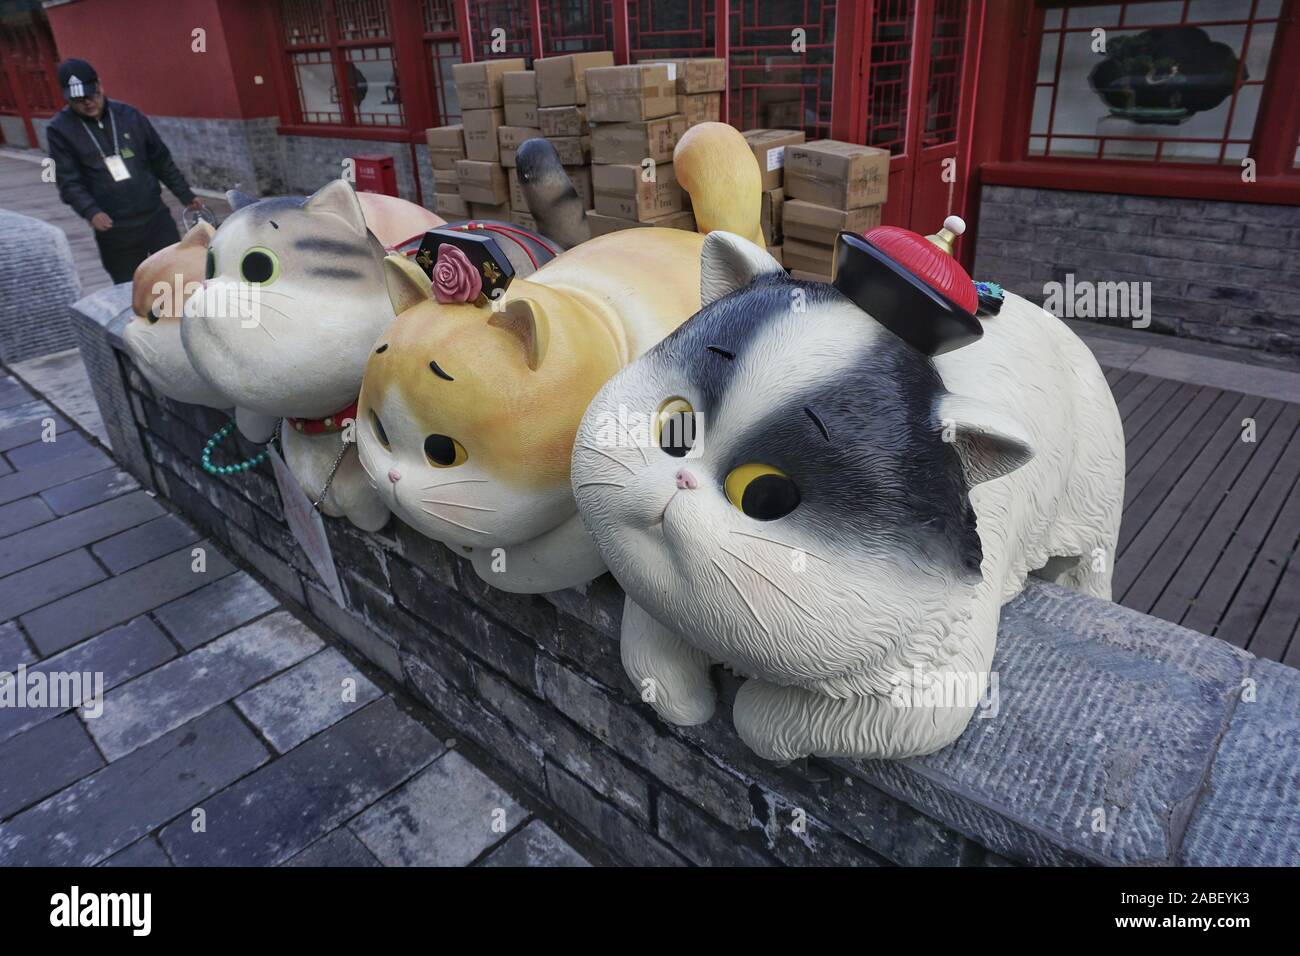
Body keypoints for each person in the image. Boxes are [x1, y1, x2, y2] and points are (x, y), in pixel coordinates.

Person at [46, 58, 206, 284]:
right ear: (67, 98)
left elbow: (160, 159)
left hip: (155, 216)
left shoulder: (129, 115)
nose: (88, 103)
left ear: (100, 85)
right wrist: (91, 211)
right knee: (129, 288)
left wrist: (185, 194)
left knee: (176, 277)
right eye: (78, 100)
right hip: (115, 228)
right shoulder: (59, 130)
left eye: (91, 95)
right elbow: (68, 181)